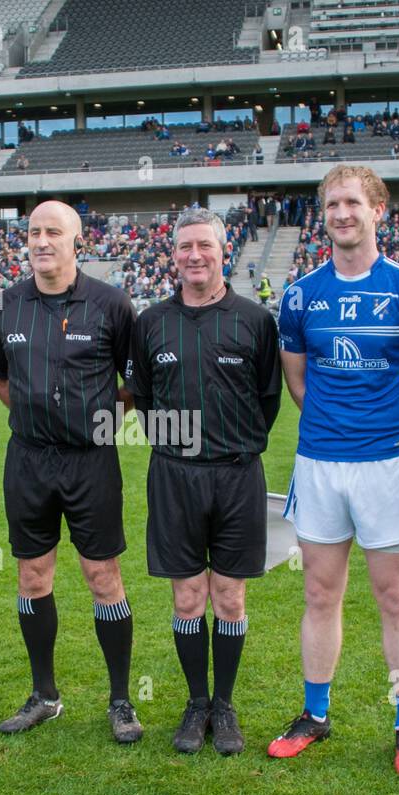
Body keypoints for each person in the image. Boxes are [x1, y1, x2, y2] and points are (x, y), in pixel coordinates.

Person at [269, 165, 399, 776]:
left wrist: (393, 433)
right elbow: (298, 384)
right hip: (320, 464)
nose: (340, 214)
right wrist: (337, 431)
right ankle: (315, 714)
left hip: (387, 467)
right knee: (320, 592)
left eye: (352, 203)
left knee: (395, 596)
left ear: (379, 209)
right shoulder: (299, 296)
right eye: (331, 205)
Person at [0, 200, 143, 744]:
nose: (42, 240)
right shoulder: (7, 305)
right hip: (28, 460)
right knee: (32, 576)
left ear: (79, 240)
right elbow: (0, 380)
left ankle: (120, 700)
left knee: (103, 577)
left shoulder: (110, 304)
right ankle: (44, 695)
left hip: (91, 460)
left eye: (54, 231)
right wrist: (37, 415)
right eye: (34, 232)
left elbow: (134, 384)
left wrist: (94, 423)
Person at [127, 208, 282, 755]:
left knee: (230, 599)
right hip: (174, 476)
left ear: (223, 251)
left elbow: (268, 402)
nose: (195, 255)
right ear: (173, 256)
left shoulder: (256, 321)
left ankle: (226, 703)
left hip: (238, 475)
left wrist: (233, 444)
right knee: (188, 596)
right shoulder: (150, 323)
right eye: (185, 247)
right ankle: (196, 703)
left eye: (205, 246)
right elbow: (143, 399)